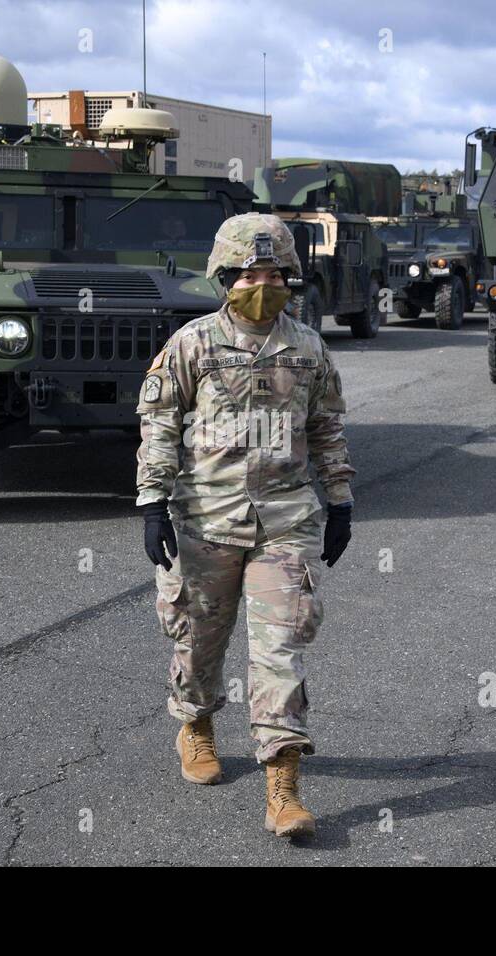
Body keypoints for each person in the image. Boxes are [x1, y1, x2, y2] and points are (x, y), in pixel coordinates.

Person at [136, 212, 355, 838]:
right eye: (251, 273)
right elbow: (159, 422)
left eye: (274, 272)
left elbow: (326, 427)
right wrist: (152, 502)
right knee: (200, 638)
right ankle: (197, 723)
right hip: (204, 517)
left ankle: (283, 782)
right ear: (225, 276)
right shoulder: (193, 344)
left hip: (285, 519)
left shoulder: (309, 347)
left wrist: (339, 500)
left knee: (280, 649)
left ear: (291, 276)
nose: (264, 283)